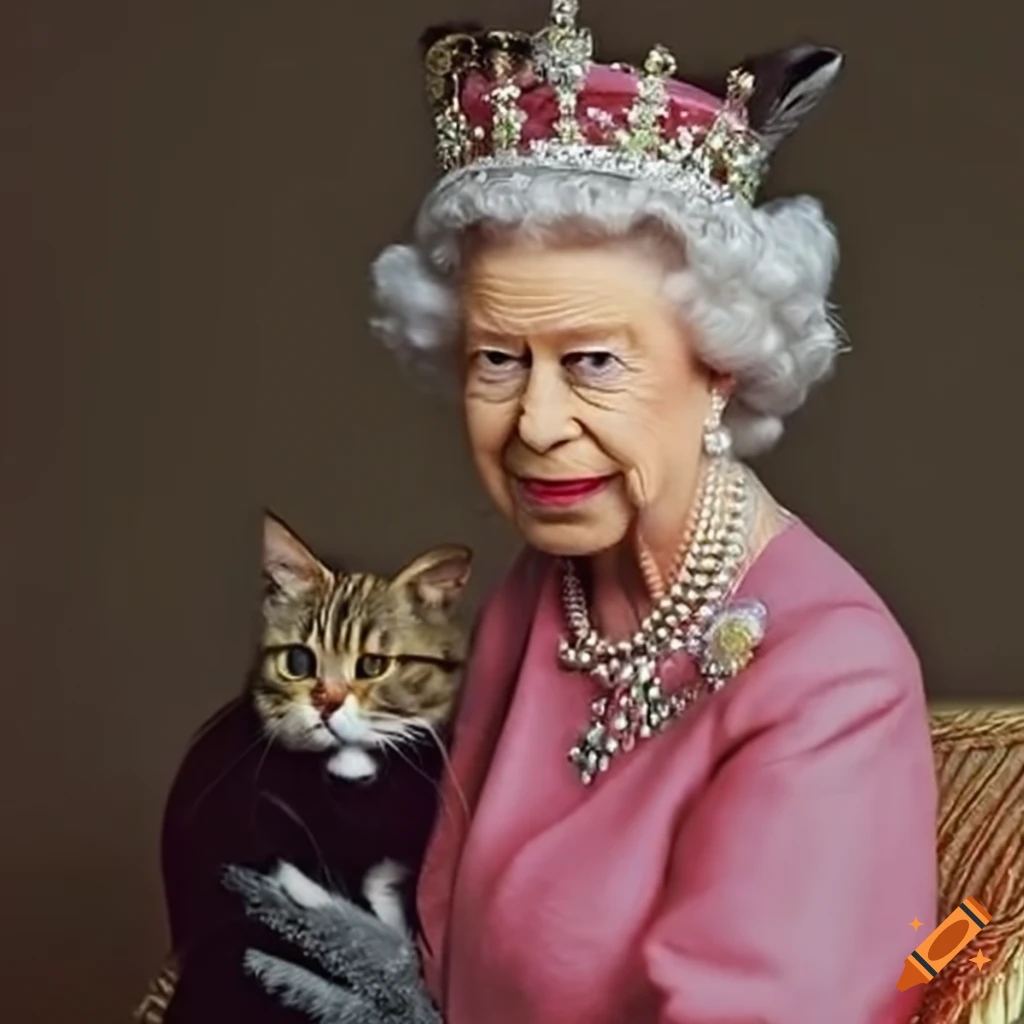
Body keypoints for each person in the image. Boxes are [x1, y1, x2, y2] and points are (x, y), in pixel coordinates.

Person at [229, 3, 938, 1022]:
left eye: (594, 360)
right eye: (497, 361)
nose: (536, 425)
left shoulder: (832, 682)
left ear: (720, 368)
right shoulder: (544, 590)